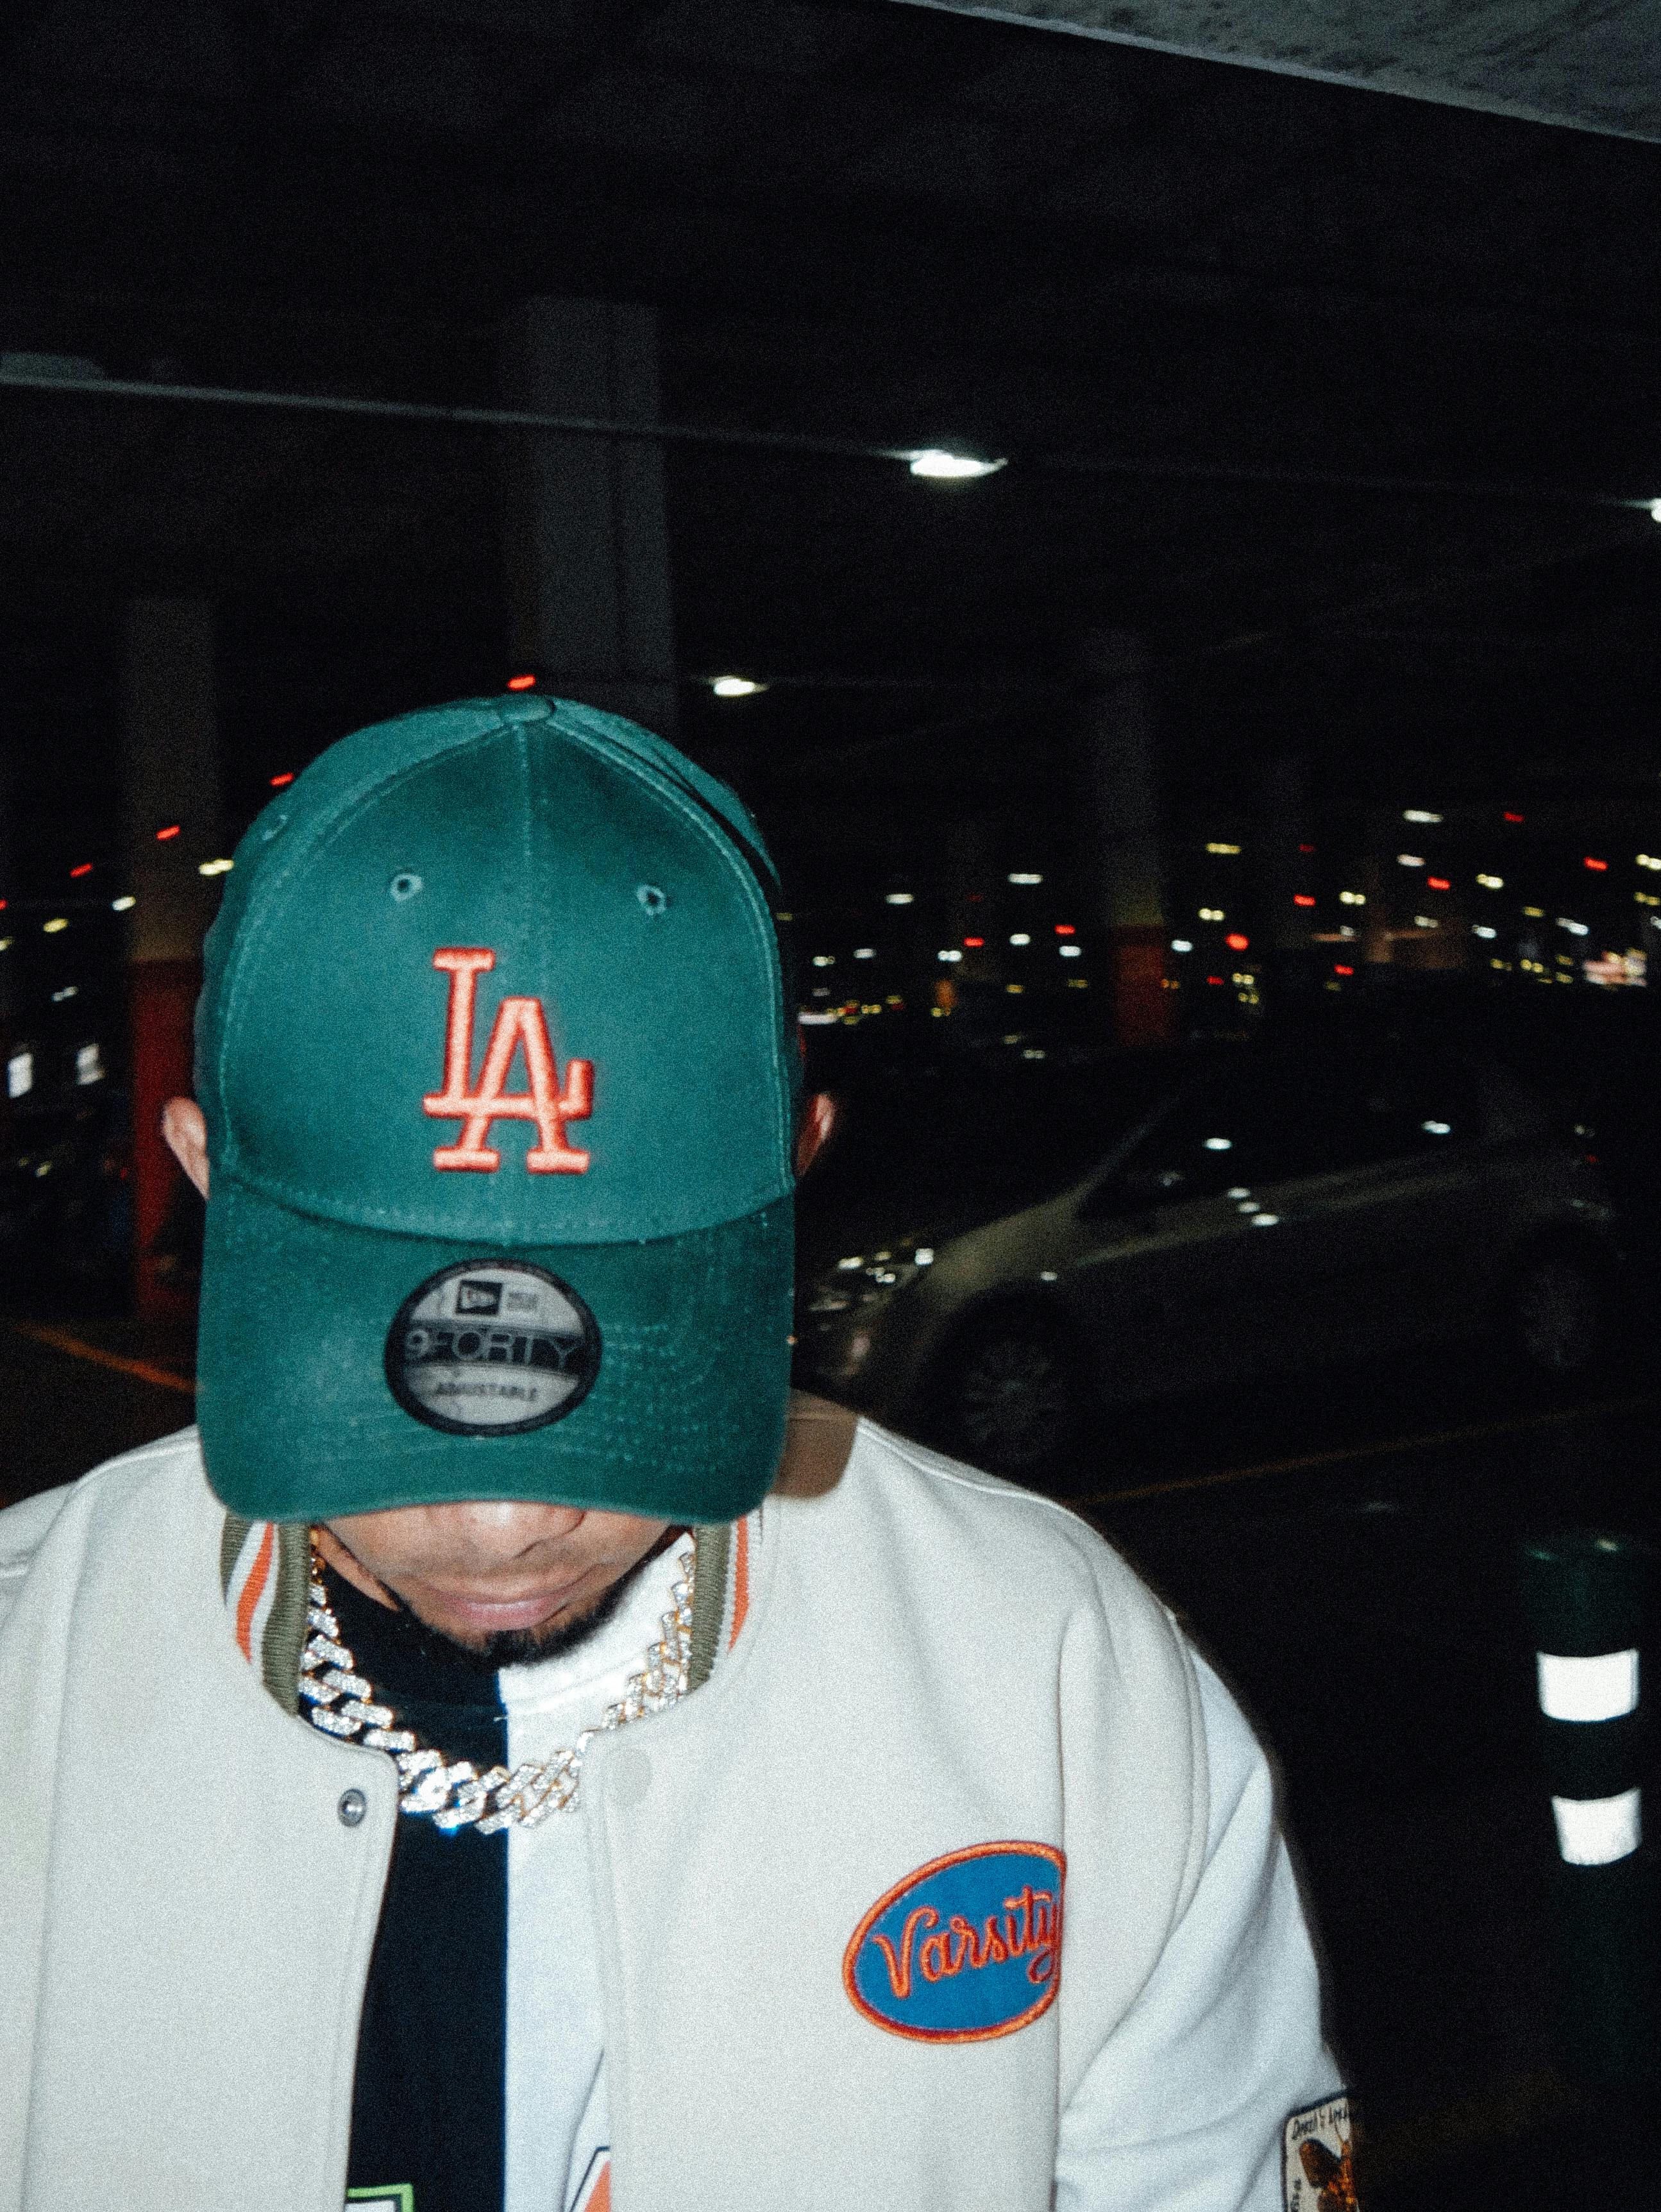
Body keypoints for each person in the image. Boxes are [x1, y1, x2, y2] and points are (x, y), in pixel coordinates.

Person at [0, 694, 1353, 2212]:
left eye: (606, 1374)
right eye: (402, 1382)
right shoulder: (23, 1673)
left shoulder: (1052, 1677)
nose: (504, 1524)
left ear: (796, 1166)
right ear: (198, 1168)